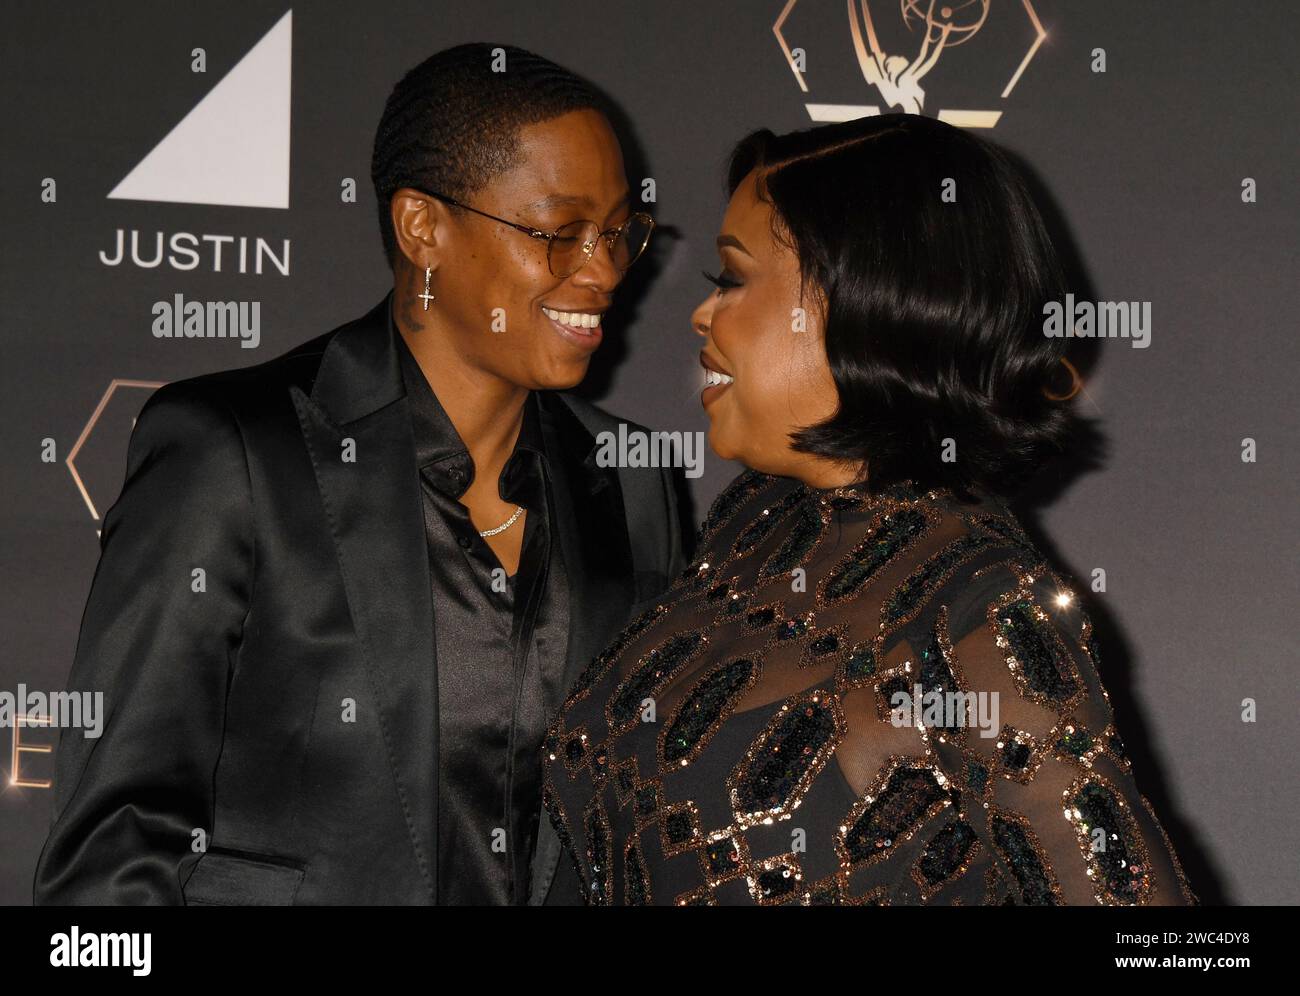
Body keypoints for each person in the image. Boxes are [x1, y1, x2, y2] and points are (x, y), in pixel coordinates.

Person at [33, 42, 686, 906]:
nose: (602, 271)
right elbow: (110, 854)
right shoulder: (233, 451)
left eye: (616, 233)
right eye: (561, 232)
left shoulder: (632, 479)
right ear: (424, 228)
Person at [540, 113, 1199, 905]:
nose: (702, 315)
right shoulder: (760, 518)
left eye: (733, 279)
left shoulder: (980, 609)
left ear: (869, 301)